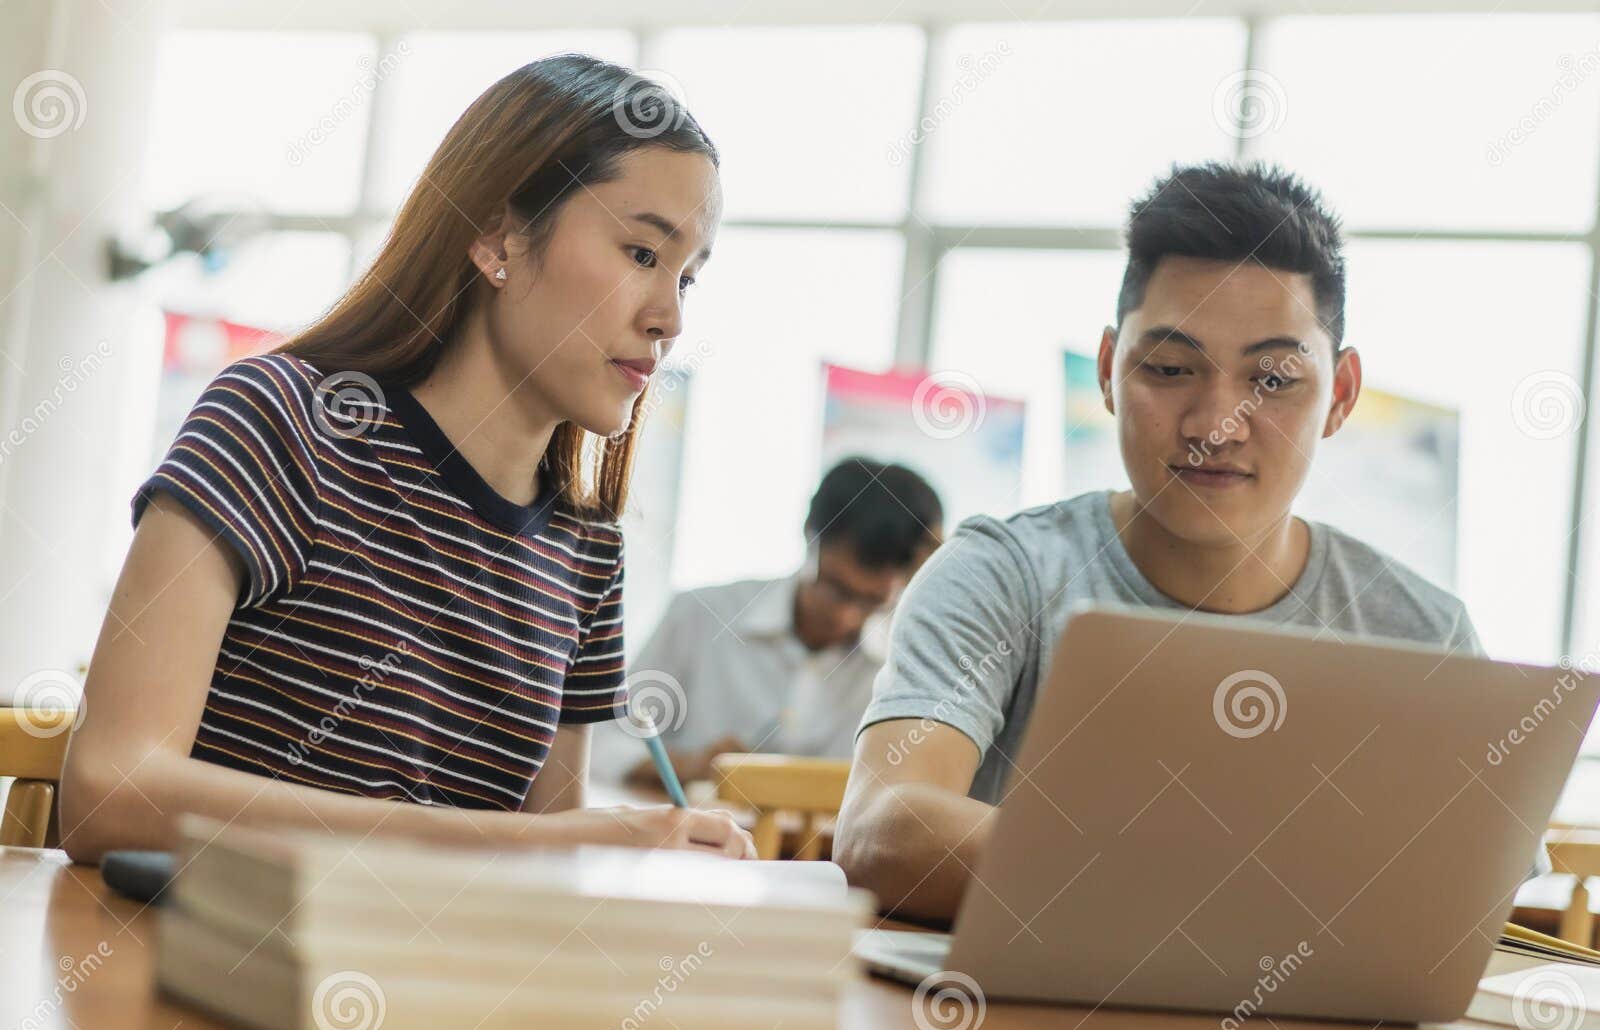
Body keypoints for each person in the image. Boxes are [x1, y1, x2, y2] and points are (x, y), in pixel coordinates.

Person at [59, 55, 755, 862]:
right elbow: (109, 792)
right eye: (642, 254)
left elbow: (540, 870)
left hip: (427, 981)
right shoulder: (281, 423)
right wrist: (501, 843)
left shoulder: (588, 547)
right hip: (194, 968)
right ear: (498, 237)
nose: (669, 317)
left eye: (688, 278)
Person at [834, 162, 1490, 923]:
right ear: (1110, 371)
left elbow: (1467, 903)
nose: (1216, 422)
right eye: (1172, 368)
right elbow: (884, 830)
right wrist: (1224, 886)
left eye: (1273, 379)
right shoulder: (1002, 577)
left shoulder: (1422, 636)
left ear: (1340, 396)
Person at [593, 456, 943, 786]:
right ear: (810, 537)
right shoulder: (701, 614)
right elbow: (597, 740)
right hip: (687, 845)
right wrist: (686, 766)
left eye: (872, 602)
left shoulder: (900, 669)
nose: (845, 615)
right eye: (835, 588)